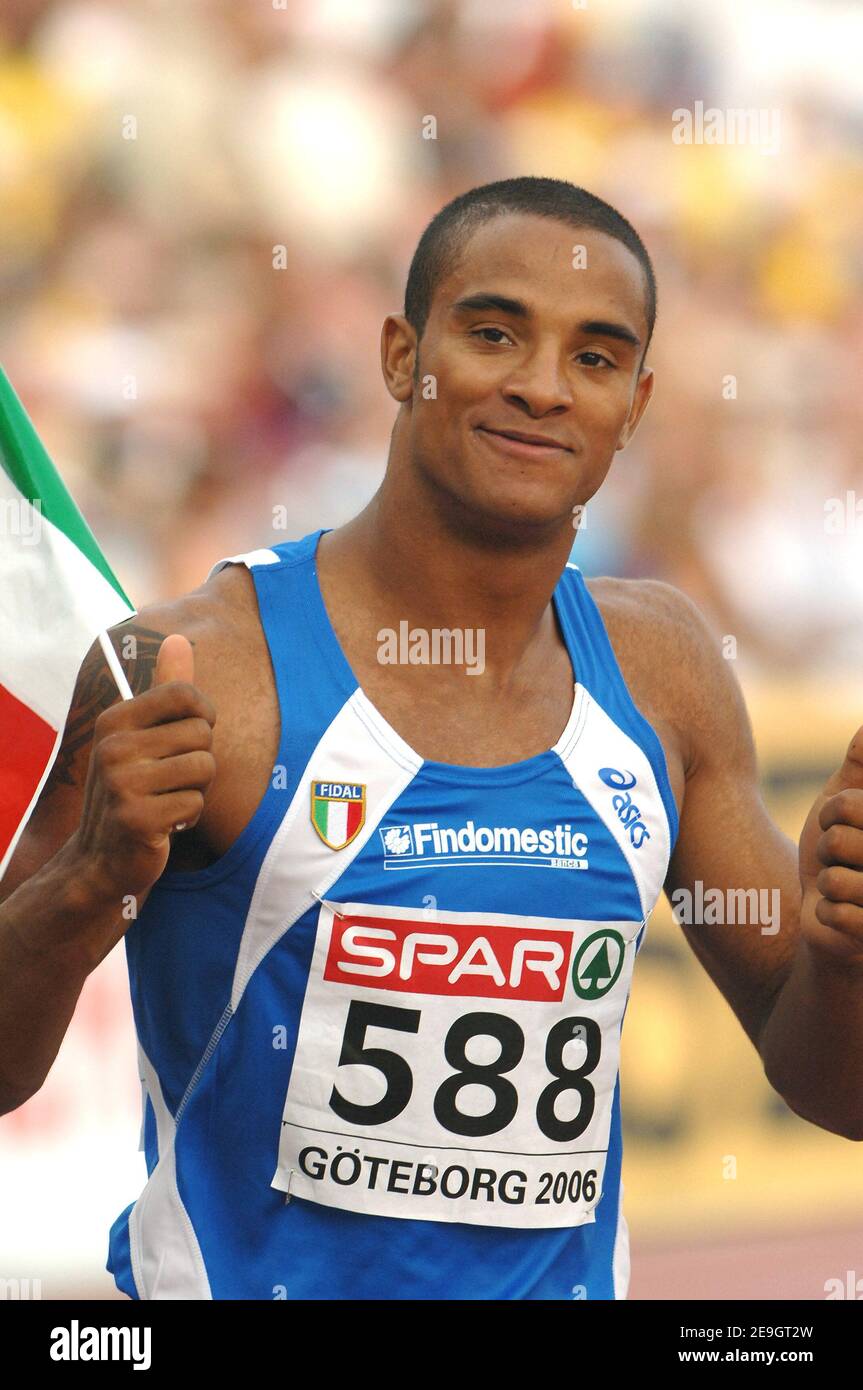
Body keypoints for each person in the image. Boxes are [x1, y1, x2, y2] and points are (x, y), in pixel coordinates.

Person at [1, 177, 862, 1302]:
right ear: (403, 356)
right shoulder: (190, 667)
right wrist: (83, 885)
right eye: (493, 332)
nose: (542, 387)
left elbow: (828, 1087)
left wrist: (842, 958)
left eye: (594, 359)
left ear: (633, 406)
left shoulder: (663, 672)